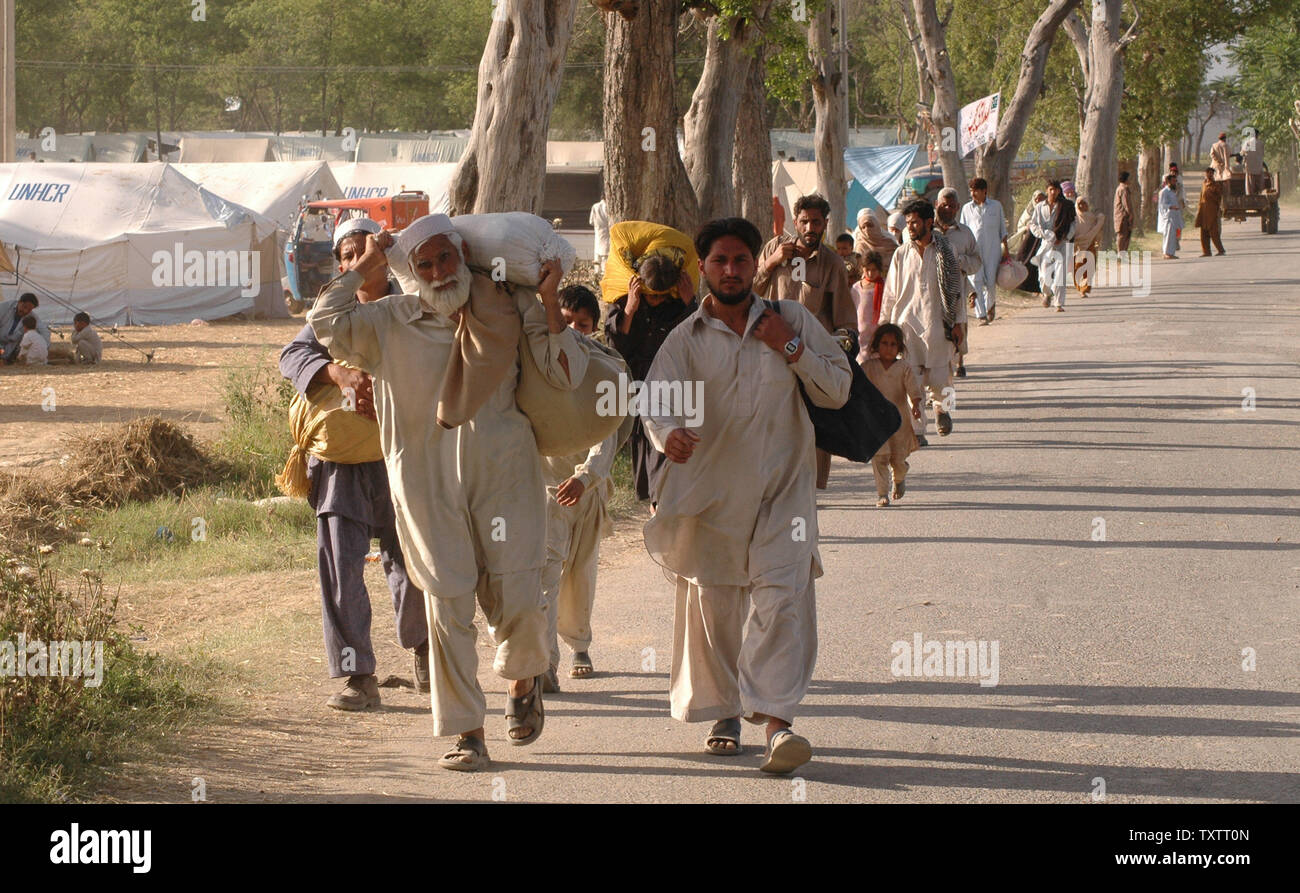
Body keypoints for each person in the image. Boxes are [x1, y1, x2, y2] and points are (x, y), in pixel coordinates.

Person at [308, 213, 586, 772]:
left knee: (520, 599)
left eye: (446, 258)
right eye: (424, 264)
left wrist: (551, 300)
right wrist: (364, 265)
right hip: (426, 485)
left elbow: (566, 372)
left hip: (506, 479)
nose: (437, 272)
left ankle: (522, 682)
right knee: (447, 604)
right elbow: (326, 322)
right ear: (410, 271)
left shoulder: (507, 307)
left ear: (464, 257)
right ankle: (468, 734)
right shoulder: (387, 321)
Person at [642, 216, 851, 774]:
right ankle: (726, 709)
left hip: (785, 493)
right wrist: (669, 435)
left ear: (755, 264)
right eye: (719, 261)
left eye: (740, 260)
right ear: (703, 268)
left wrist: (794, 348)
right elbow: (654, 400)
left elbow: (837, 388)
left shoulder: (791, 320)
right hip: (710, 496)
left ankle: (778, 725)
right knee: (718, 607)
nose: (730, 270)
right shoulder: (684, 339)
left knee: (782, 597)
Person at [280, 217, 430, 712]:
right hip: (339, 467)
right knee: (341, 571)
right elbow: (292, 356)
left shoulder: (409, 306)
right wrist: (338, 373)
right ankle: (357, 676)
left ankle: (427, 655)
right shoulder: (328, 317)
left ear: (383, 256)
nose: (352, 263)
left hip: (401, 459)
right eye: (344, 257)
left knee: (411, 566)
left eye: (360, 253)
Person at [540, 284, 617, 688]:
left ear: (594, 329)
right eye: (565, 321)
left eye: (582, 325)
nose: (572, 330)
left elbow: (607, 432)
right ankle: (544, 664)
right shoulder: (533, 363)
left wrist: (587, 476)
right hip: (544, 488)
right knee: (546, 571)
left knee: (581, 572)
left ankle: (579, 644)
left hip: (586, 489)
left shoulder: (605, 367)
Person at [753, 193, 855, 489]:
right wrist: (772, 262)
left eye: (817, 222)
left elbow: (844, 317)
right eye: (805, 222)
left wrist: (847, 345)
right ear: (795, 223)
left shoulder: (832, 264)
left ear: (825, 224)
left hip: (810, 356)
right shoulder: (774, 249)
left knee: (813, 421)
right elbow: (752, 290)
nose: (810, 228)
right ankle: (771, 484)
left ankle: (807, 487)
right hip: (770, 351)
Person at [605, 250, 697, 504]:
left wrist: (692, 304)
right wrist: (631, 309)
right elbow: (614, 346)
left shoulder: (680, 306)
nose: (655, 301)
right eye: (650, 295)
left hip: (671, 388)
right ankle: (653, 501)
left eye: (660, 295)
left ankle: (661, 503)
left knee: (666, 442)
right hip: (636, 384)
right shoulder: (625, 302)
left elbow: (697, 339)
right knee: (642, 442)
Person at [880, 199, 966, 442]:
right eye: (908, 223)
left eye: (915, 222)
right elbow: (890, 294)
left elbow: (955, 289)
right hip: (907, 327)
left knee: (943, 380)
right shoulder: (901, 254)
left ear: (929, 222)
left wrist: (958, 322)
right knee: (911, 383)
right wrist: (884, 327)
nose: (910, 227)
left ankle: (944, 410)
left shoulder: (947, 251)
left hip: (939, 325)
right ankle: (918, 431)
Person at [862, 323, 921, 507]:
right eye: (885, 343)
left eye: (893, 344)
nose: (889, 348)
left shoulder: (904, 368)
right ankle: (882, 494)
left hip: (899, 423)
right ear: (877, 345)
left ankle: (900, 477)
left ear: (899, 348)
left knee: (898, 458)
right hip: (876, 422)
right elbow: (859, 389)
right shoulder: (868, 367)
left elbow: (913, 389)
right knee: (879, 457)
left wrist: (916, 404)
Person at [934, 188, 981, 380]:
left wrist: (958, 260)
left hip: (957, 291)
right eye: (944, 205)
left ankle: (959, 362)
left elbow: (977, 261)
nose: (947, 209)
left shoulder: (965, 234)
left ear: (958, 208)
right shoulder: (928, 231)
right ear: (936, 205)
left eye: (952, 206)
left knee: (958, 328)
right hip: (933, 292)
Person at [959, 177, 1009, 327]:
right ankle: (981, 315)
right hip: (974, 252)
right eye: (971, 190)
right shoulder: (967, 209)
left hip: (993, 250)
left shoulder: (996, 206)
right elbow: (963, 230)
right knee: (976, 281)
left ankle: (990, 306)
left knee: (991, 282)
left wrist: (1005, 250)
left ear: (984, 191)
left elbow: (1003, 230)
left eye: (976, 190)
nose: (973, 193)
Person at [1029, 180, 1077, 311]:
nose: (1053, 192)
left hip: (1062, 243)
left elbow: (1073, 223)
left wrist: (1066, 236)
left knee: (1060, 275)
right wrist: (1043, 234)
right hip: (1046, 244)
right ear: (1047, 190)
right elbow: (1032, 224)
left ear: (1059, 191)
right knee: (1044, 274)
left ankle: (1059, 304)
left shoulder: (1067, 206)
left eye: (1055, 190)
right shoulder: (1040, 207)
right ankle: (1047, 293)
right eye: (1050, 189)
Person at [851, 251, 885, 364]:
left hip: (879, 334)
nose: (870, 273)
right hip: (861, 334)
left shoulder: (885, 287)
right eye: (867, 270)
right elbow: (852, 309)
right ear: (862, 268)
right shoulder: (856, 288)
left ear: (879, 270)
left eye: (874, 270)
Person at [2, 293, 50, 364]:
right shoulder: (4, 307)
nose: (26, 311)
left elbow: (44, 331)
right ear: (19, 302)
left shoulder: (31, 316)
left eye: (29, 309)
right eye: (24, 307)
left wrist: (43, 346)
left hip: (9, 350)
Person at [1014, 190, 1047, 294]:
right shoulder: (1028, 212)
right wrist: (1027, 227)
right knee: (1027, 264)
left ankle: (1041, 289)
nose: (1038, 201)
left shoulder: (1047, 211)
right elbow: (1020, 226)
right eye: (1036, 199)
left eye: (1041, 198)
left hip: (1042, 242)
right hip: (1029, 244)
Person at [1072, 198, 1105, 297]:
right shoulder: (1073, 218)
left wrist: (1096, 241)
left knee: (1089, 267)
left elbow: (1097, 230)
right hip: (1077, 246)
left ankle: (1084, 288)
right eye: (1079, 204)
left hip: (1090, 245)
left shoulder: (1092, 218)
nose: (1082, 206)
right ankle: (1080, 286)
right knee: (1078, 267)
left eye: (1084, 204)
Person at [853, 208, 898, 274]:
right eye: (863, 227)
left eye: (869, 225)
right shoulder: (860, 246)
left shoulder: (890, 242)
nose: (867, 229)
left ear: (876, 225)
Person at [1195, 167, 1226, 257]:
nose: (1209, 174)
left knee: (1214, 233)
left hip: (1212, 212)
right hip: (1203, 212)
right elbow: (1201, 197)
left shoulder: (1215, 185)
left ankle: (1221, 250)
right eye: (1208, 173)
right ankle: (1206, 252)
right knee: (1203, 233)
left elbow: (1219, 198)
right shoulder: (1204, 184)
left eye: (1211, 173)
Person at [1157, 173, 1183, 259]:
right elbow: (1162, 205)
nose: (1175, 182)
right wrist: (1171, 207)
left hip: (1174, 216)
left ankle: (1171, 253)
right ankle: (1166, 253)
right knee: (1168, 235)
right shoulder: (1164, 192)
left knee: (1173, 236)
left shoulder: (1172, 192)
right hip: (1167, 217)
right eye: (1173, 181)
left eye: (1175, 181)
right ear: (1168, 181)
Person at [1113, 172, 1134, 253]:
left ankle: (1123, 254)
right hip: (1123, 217)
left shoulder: (1122, 188)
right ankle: (1120, 254)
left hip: (1123, 216)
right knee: (1122, 235)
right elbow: (1126, 204)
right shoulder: (1123, 189)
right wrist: (1130, 214)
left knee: (1126, 236)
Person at [589, 198, 610, 274]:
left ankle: (596, 275)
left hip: (598, 233)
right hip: (608, 234)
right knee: (605, 256)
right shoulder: (609, 207)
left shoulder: (595, 206)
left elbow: (591, 221)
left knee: (597, 257)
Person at [1241, 127, 1265, 194]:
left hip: (1249, 168)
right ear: (1257, 135)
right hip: (1259, 167)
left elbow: (1242, 153)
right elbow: (1262, 155)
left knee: (1250, 185)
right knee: (1260, 185)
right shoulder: (1261, 143)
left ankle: (1250, 196)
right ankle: (1261, 194)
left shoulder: (1247, 143)